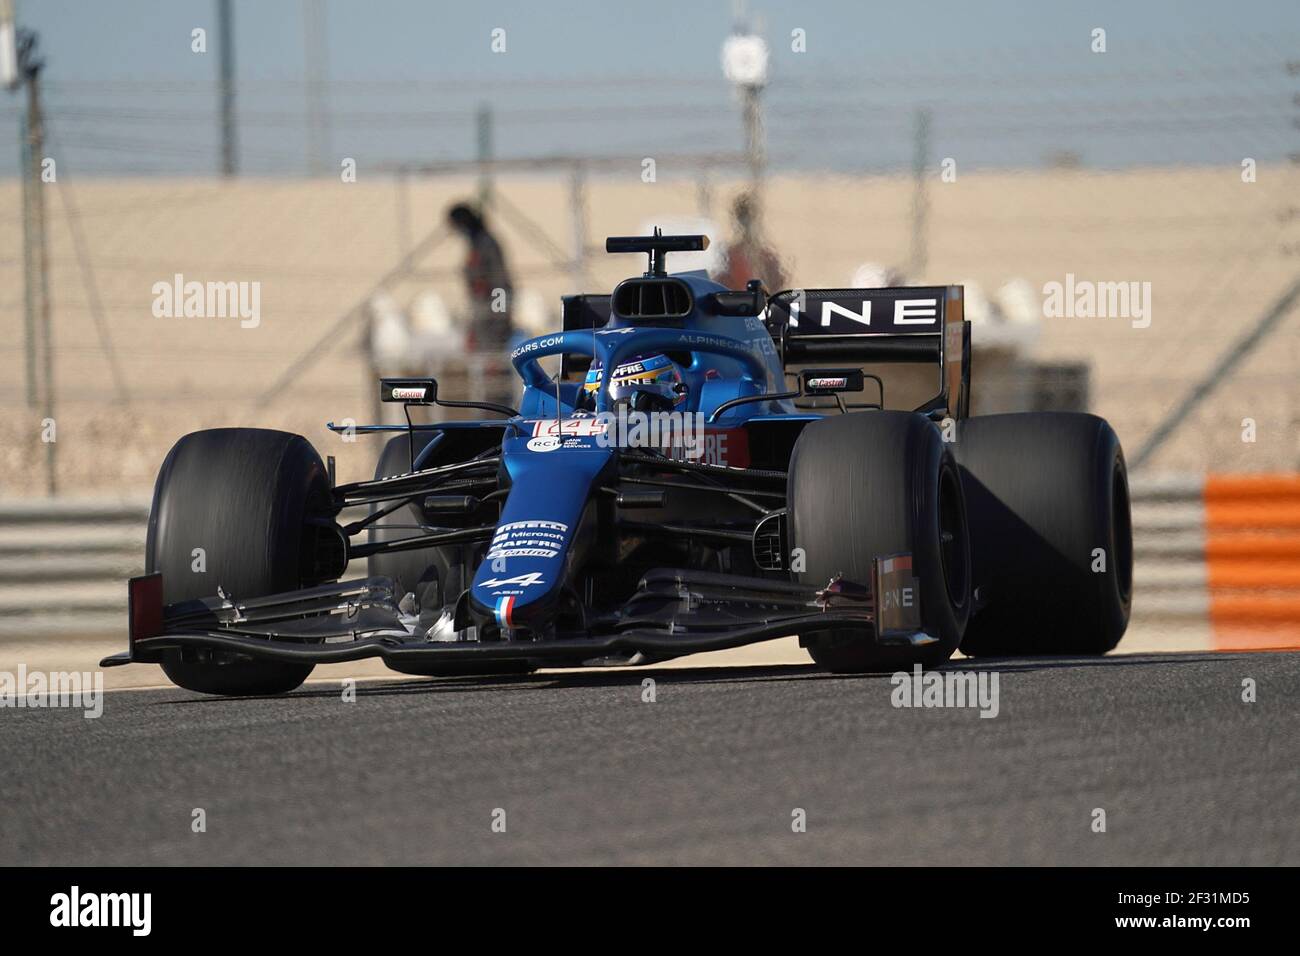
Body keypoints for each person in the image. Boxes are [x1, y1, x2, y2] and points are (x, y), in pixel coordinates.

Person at [446, 202, 514, 351]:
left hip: (493, 307)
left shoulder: (487, 243)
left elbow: (499, 280)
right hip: (483, 306)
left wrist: (499, 312)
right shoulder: (475, 243)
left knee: (494, 350)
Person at [715, 192, 786, 292]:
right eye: (743, 218)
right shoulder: (729, 256)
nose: (747, 224)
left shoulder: (768, 257)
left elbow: (777, 289)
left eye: (750, 218)